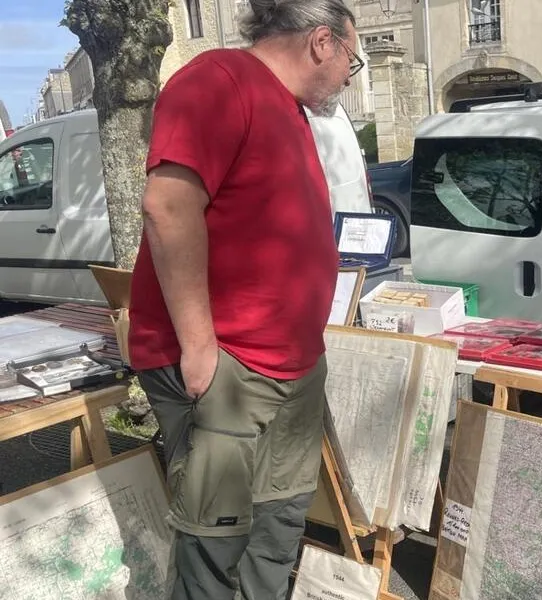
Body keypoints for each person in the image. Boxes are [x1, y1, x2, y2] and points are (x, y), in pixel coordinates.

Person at [127, 1, 360, 597]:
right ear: (322, 43)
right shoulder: (219, 80)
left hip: (290, 370)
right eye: (351, 63)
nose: (346, 78)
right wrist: (201, 346)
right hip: (229, 368)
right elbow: (169, 205)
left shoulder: (292, 111)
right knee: (214, 545)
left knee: (277, 530)